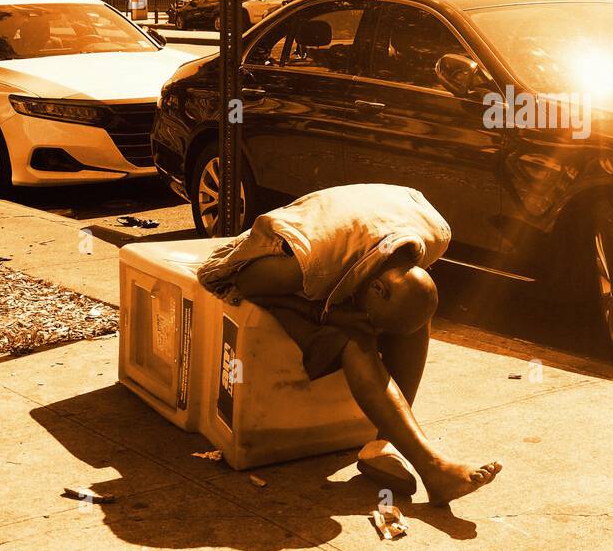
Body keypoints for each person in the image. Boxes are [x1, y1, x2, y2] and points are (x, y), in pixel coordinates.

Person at [197, 183, 501, 505]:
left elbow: (405, 296)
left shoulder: (435, 236)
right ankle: (433, 467)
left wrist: (375, 318)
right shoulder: (306, 266)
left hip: (353, 240)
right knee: (353, 339)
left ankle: (384, 446)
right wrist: (326, 314)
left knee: (411, 316)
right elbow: (246, 282)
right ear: (377, 288)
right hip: (267, 263)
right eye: (373, 314)